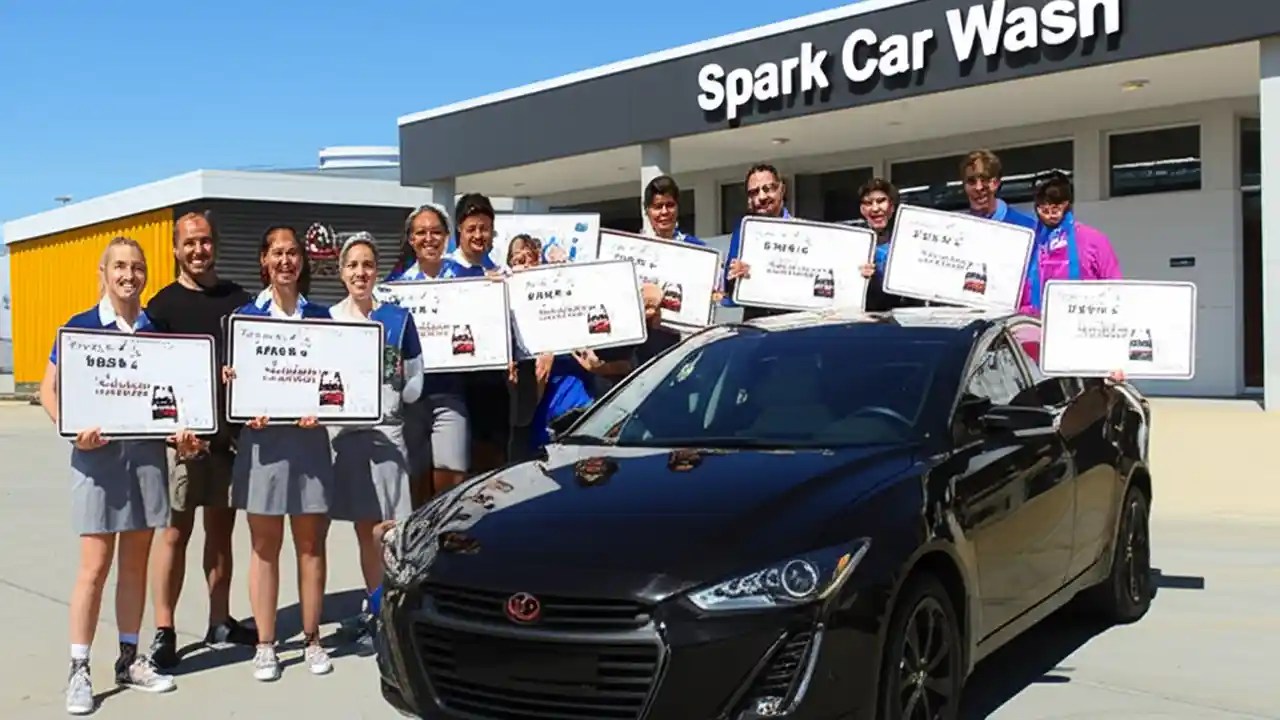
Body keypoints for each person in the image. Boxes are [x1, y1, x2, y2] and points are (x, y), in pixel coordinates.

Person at [39, 237, 200, 713]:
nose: (130, 275)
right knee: (94, 567)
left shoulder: (157, 332)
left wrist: (183, 432)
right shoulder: (80, 327)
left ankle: (129, 660)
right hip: (97, 461)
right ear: (104, 273)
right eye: (121, 267)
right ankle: (79, 668)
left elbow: (175, 397)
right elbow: (49, 390)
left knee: (134, 566)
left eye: (138, 267)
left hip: (146, 459)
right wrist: (71, 430)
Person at [143, 212, 256, 669]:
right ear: (175, 249)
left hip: (229, 440)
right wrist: (171, 433)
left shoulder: (239, 300)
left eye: (205, 241)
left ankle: (220, 620)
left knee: (222, 534)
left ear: (215, 246)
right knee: (174, 535)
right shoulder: (161, 307)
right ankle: (164, 630)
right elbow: (149, 375)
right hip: (181, 444)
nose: (197, 250)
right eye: (189, 243)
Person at [224, 225, 335, 681]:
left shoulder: (324, 318)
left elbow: (338, 379)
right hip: (263, 443)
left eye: (292, 253)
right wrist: (235, 389)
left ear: (302, 261)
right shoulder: (243, 319)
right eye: (277, 253)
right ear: (264, 261)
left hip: (309, 440)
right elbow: (231, 381)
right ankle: (266, 644)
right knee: (264, 546)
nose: (285, 261)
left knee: (311, 545)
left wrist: (325, 409)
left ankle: (312, 638)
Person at [328, 233, 424, 650]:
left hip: (387, 432)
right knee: (365, 528)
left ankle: (395, 612)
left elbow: (416, 377)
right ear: (341, 272)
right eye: (352, 265)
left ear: (377, 271)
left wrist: (394, 392)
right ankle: (375, 606)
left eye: (367, 265)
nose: (360, 272)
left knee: (392, 528)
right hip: (347, 436)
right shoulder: (328, 319)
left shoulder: (398, 319)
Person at [384, 204, 470, 503]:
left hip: (451, 392)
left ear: (447, 237)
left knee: (452, 478)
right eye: (421, 233)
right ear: (411, 239)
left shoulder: (470, 280)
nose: (429, 239)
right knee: (415, 481)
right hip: (410, 398)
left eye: (435, 232)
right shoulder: (394, 288)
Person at [723, 163, 792, 321]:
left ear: (782, 190)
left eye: (767, 189)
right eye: (754, 192)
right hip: (756, 322)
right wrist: (737, 276)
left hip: (794, 321)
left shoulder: (803, 233)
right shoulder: (742, 232)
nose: (761, 197)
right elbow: (729, 290)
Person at [856, 178, 925, 312]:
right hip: (867, 316)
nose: (875, 208)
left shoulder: (909, 241)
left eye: (881, 201)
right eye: (868, 203)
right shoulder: (853, 245)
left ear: (892, 206)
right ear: (862, 209)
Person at [959, 149, 1038, 230]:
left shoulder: (1028, 228)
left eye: (985, 180)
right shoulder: (958, 229)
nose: (978, 187)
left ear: (997, 182)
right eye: (971, 181)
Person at [643, 175, 705, 246]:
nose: (664, 211)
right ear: (647, 211)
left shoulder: (695, 247)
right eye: (658, 207)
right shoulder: (637, 248)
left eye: (670, 205)